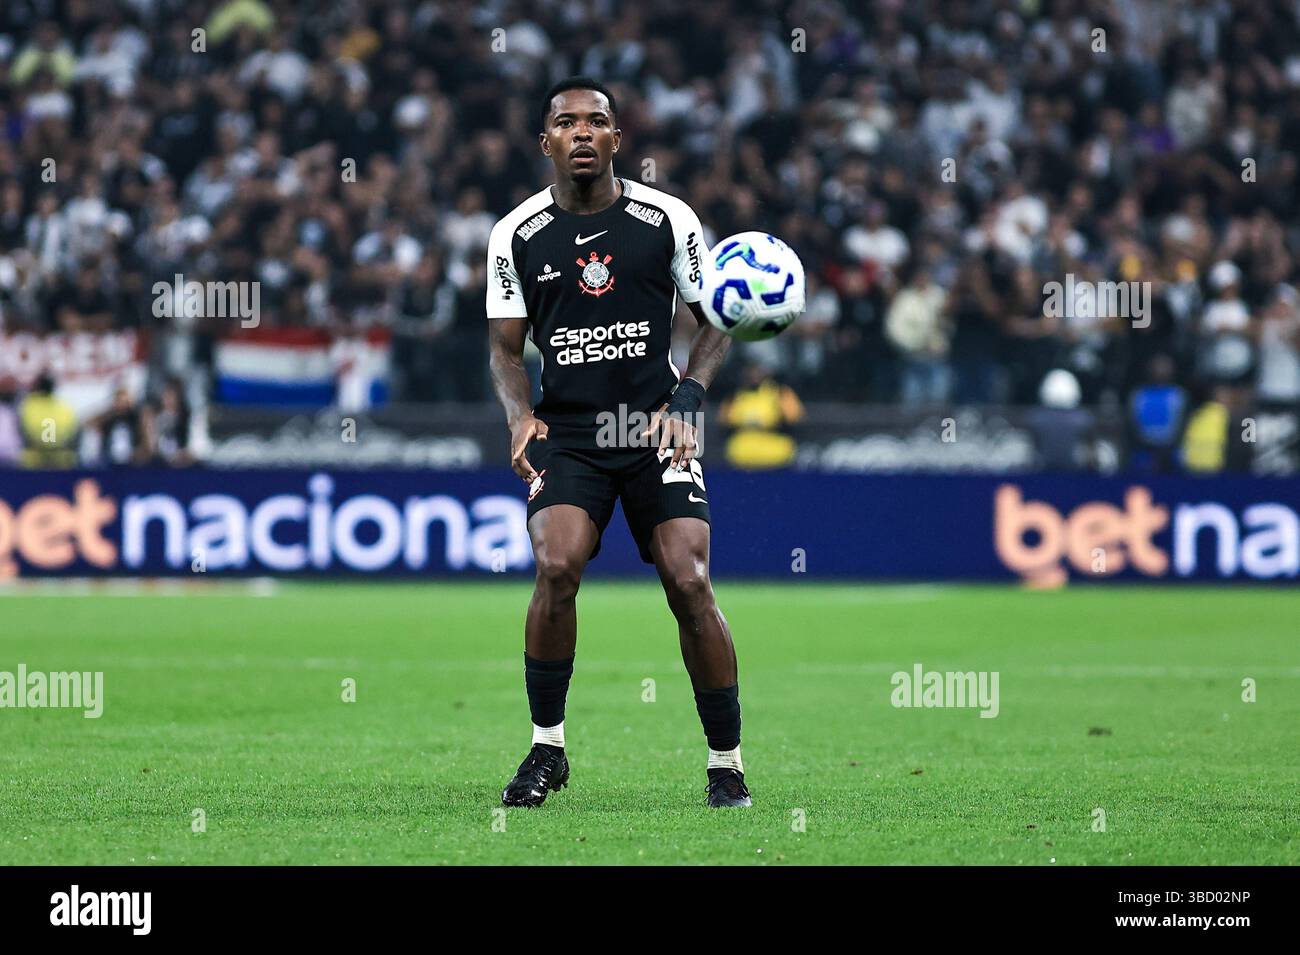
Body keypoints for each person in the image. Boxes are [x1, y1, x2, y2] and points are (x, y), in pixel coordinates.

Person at [485, 77, 750, 809]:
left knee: (689, 580)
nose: (580, 133)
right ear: (545, 141)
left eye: (595, 122)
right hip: (569, 432)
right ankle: (547, 750)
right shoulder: (516, 234)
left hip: (654, 424)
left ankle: (725, 762)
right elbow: (506, 350)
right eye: (564, 123)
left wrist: (689, 398)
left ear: (615, 140)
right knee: (556, 562)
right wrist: (518, 415)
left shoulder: (668, 219)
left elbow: (714, 318)